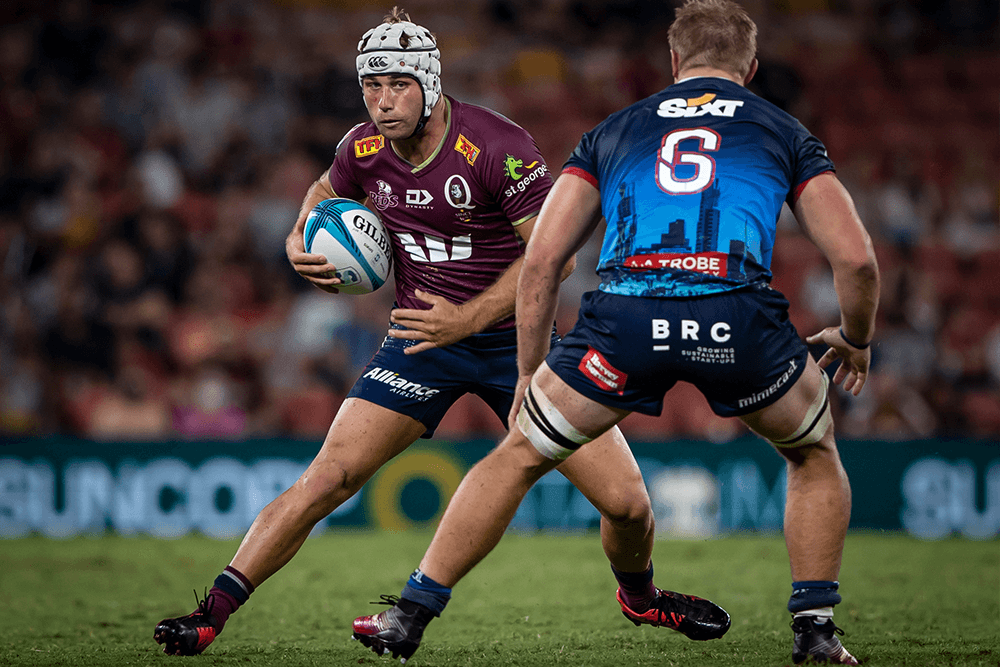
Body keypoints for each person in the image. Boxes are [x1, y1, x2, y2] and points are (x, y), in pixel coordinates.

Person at [154, 7, 729, 656]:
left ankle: (642, 598)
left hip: (521, 345)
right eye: (371, 86)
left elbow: (556, 257)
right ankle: (210, 613)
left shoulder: (495, 146)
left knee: (627, 503)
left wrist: (467, 316)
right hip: (420, 345)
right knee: (327, 478)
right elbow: (323, 188)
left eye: (398, 84)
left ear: (430, 85)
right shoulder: (361, 148)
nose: (383, 100)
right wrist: (297, 238)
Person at [351, 0, 879, 665]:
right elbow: (856, 257)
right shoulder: (781, 129)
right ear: (750, 66)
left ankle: (410, 613)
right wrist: (856, 337)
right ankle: (815, 631)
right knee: (811, 451)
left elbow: (542, 259)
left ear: (673, 61)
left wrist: (528, 371)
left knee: (517, 454)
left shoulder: (616, 129)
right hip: (736, 316)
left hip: (626, 318)